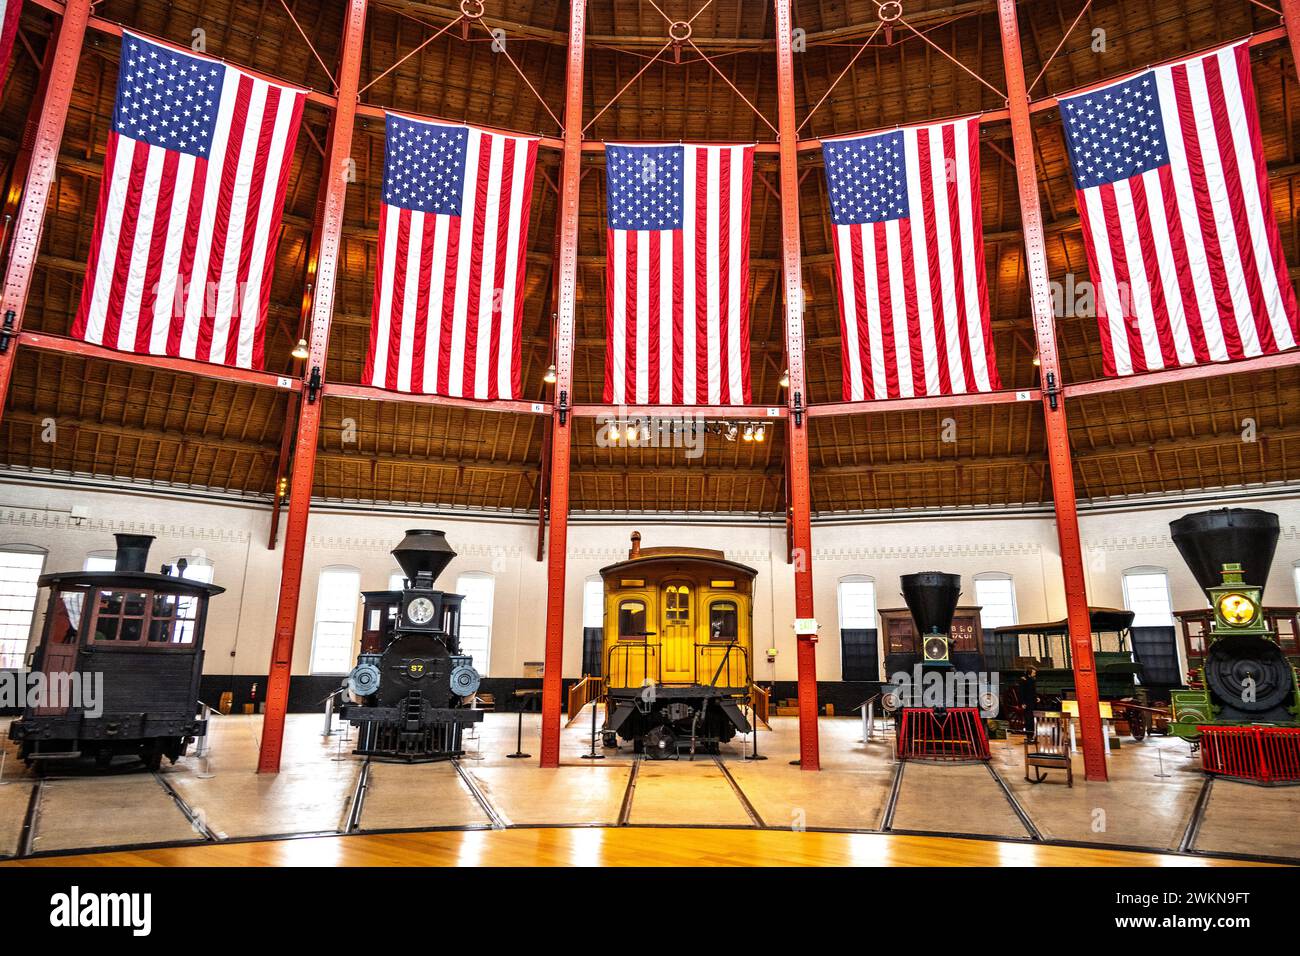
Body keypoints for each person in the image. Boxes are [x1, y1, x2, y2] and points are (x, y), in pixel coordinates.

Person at [1020, 666, 1038, 739]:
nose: (1035, 674)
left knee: (1032, 719)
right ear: (1029, 672)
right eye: (1033, 672)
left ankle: (1033, 734)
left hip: (1032, 702)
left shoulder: (1033, 680)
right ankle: (1029, 735)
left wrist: (1036, 697)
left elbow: (1033, 691)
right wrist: (1023, 703)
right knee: (1028, 719)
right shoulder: (1024, 680)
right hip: (1027, 702)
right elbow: (1022, 692)